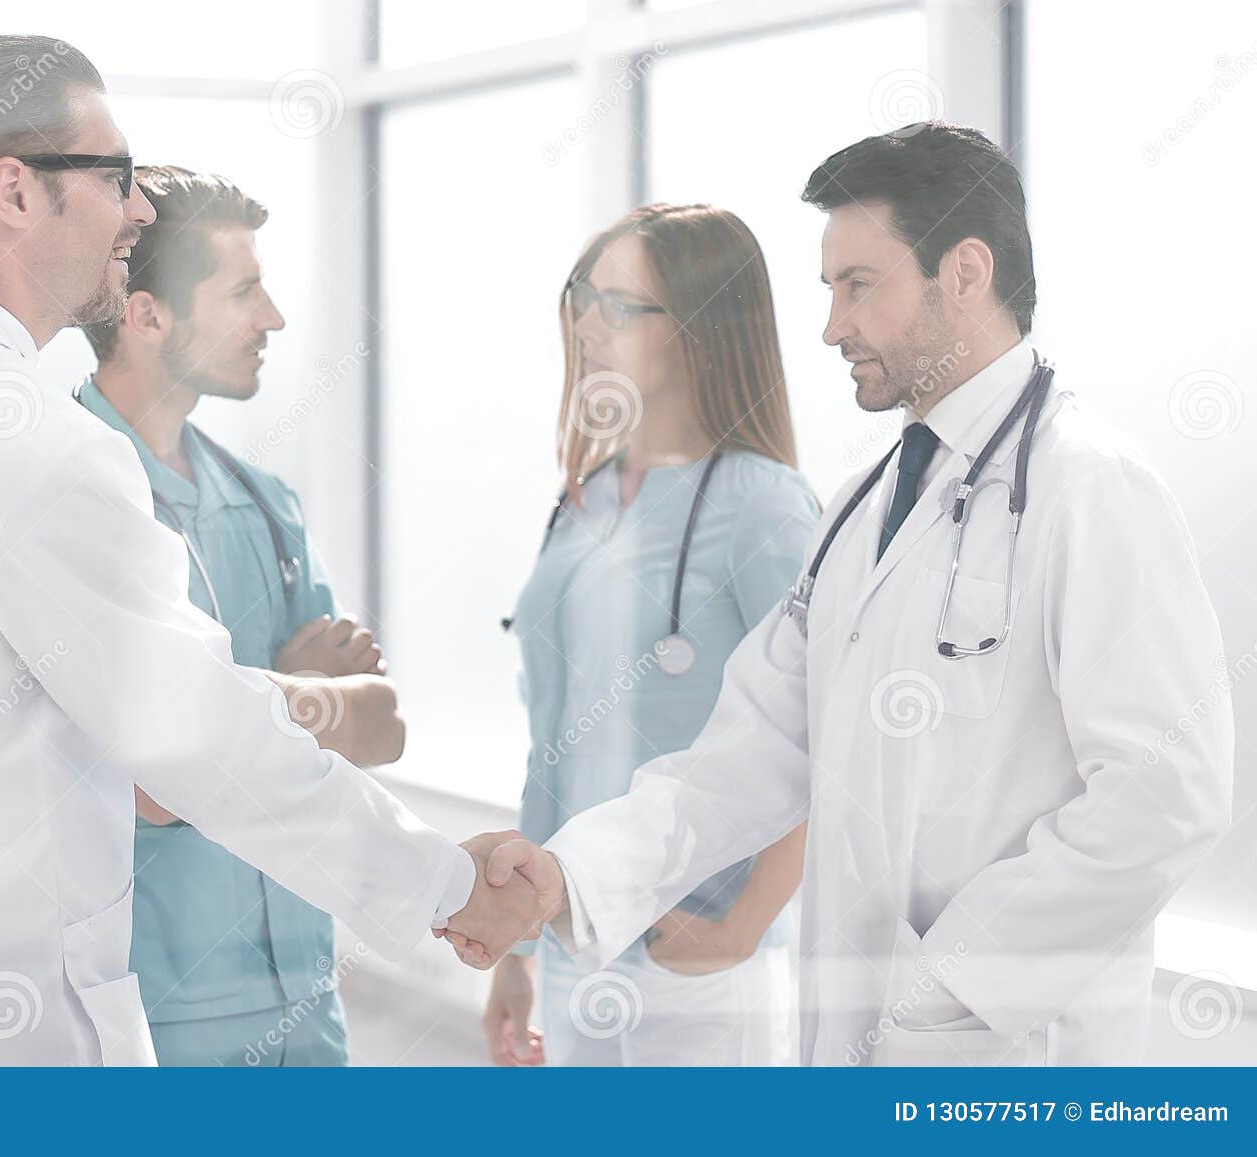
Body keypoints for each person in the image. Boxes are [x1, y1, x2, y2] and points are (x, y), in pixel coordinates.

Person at [0, 34, 536, 1066]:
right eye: (113, 177)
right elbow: (197, 737)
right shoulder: (34, 442)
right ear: (13, 192)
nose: (139, 208)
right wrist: (449, 886)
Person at [446, 123, 1234, 1066]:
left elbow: (1167, 794)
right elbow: (747, 757)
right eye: (829, 290)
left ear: (966, 273)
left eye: (860, 285)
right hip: (855, 1044)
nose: (831, 327)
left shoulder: (1090, 487)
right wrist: (567, 873)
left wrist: (950, 989)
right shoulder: (862, 509)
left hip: (1003, 1056)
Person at [75, 166, 400, 1066]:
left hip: (304, 996)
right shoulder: (64, 496)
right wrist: (309, 696)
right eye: (244, 290)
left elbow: (380, 725)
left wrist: (233, 717)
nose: (275, 319)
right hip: (151, 1014)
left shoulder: (268, 504)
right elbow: (143, 783)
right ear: (146, 314)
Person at [486, 205, 817, 1067]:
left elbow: (823, 739)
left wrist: (743, 927)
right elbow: (550, 741)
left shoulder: (764, 505)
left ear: (702, 328)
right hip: (571, 944)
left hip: (693, 961)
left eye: (622, 307)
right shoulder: (582, 501)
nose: (588, 326)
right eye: (582, 299)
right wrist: (518, 949)